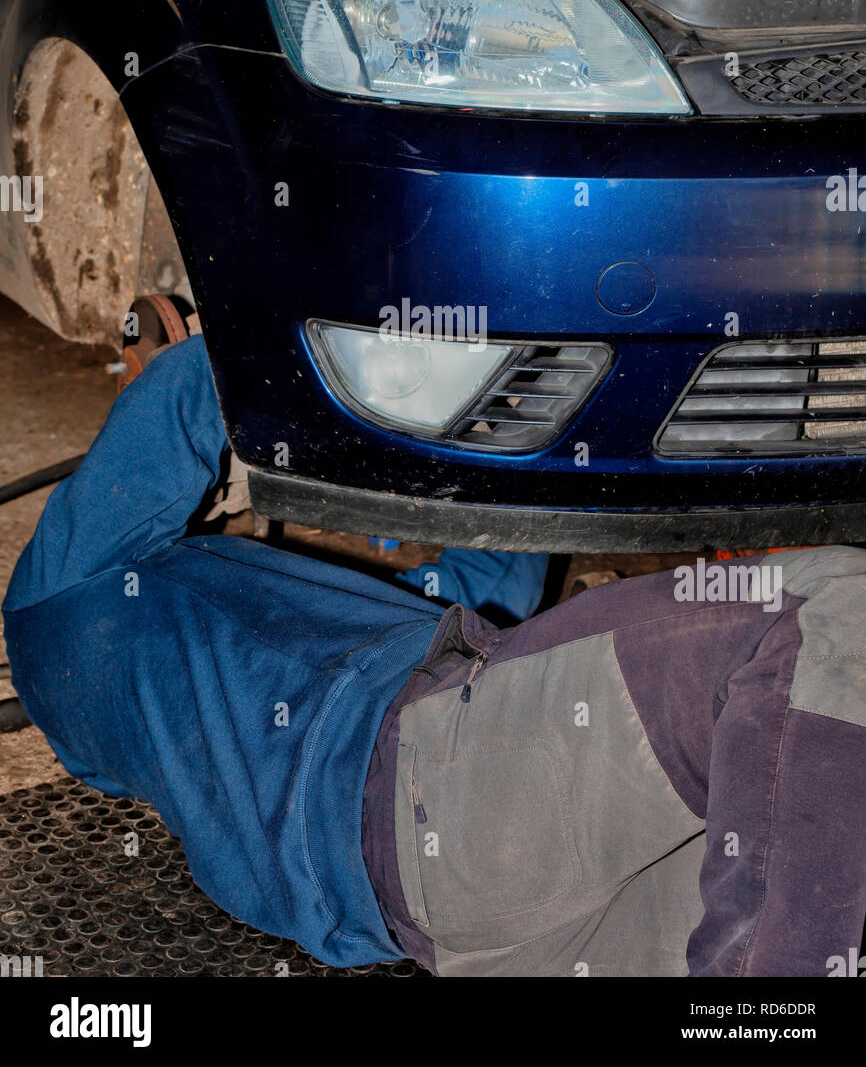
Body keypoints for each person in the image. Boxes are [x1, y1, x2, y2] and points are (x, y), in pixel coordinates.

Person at [3, 303, 865, 977]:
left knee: (817, 851)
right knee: (823, 615)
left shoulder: (101, 723)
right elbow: (191, 387)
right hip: (430, 783)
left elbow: (487, 590)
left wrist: (509, 433)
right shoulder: (47, 600)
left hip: (441, 922)